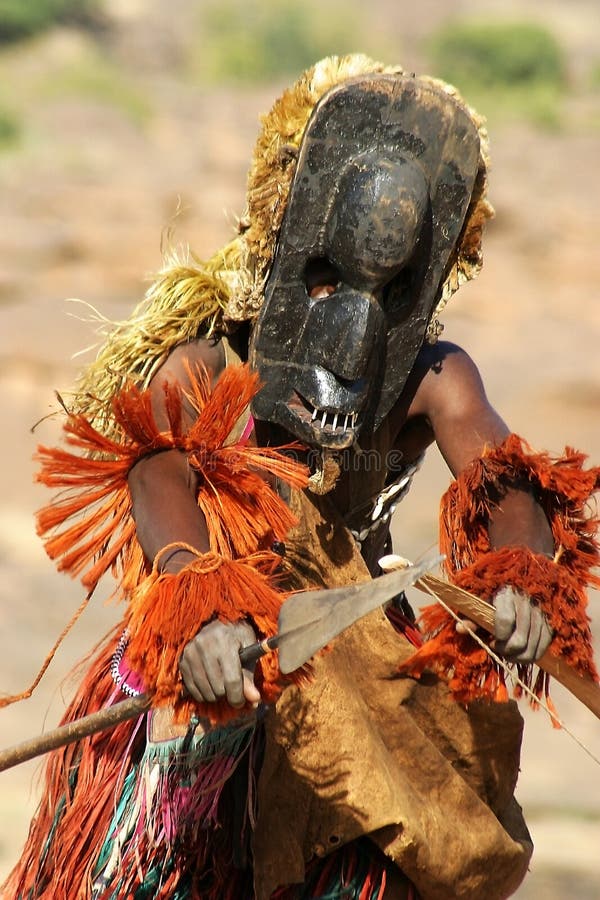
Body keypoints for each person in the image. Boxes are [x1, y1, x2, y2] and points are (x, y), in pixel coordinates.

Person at [4, 54, 599, 900]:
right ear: (283, 238)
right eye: (326, 280)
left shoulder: (435, 378)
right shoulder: (207, 359)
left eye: (388, 291)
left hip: (359, 686)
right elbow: (158, 474)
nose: (353, 323)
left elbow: (509, 485)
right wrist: (201, 605)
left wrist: (526, 580)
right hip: (211, 667)